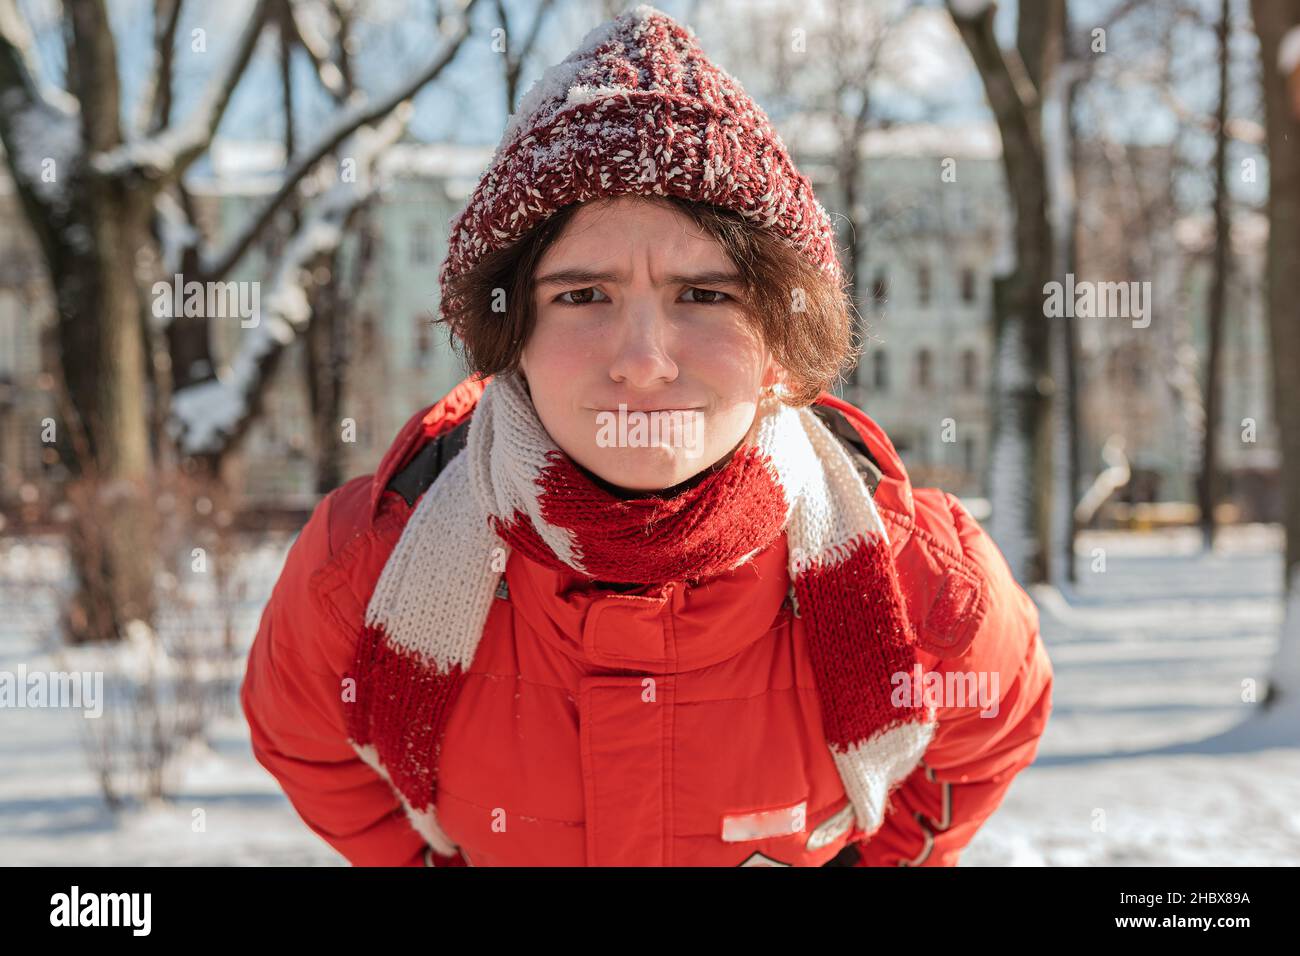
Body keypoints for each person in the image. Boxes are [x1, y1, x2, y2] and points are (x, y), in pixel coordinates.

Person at [240, 3, 1052, 867]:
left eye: (703, 295)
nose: (643, 361)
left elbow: (992, 730)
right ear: (512, 332)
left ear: (779, 333)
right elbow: (307, 742)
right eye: (583, 295)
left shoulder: (925, 585)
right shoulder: (360, 573)